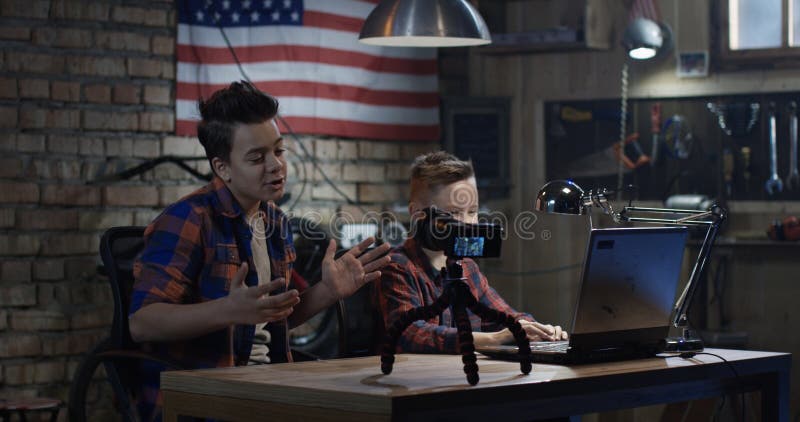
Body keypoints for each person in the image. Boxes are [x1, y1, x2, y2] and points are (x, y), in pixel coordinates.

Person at [128, 81, 391, 421]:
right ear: (222, 168)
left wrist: (328, 292)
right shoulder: (188, 219)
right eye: (257, 158)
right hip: (205, 397)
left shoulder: (275, 221)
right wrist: (227, 310)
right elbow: (142, 324)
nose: (275, 166)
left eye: (279, 151)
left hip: (268, 386)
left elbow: (274, 317)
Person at [375, 151, 567, 354]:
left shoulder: (467, 267)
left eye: (473, 211)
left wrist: (535, 328)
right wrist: (493, 339)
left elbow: (503, 315)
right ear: (416, 214)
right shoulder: (396, 265)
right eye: (453, 213)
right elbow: (409, 333)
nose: (468, 222)